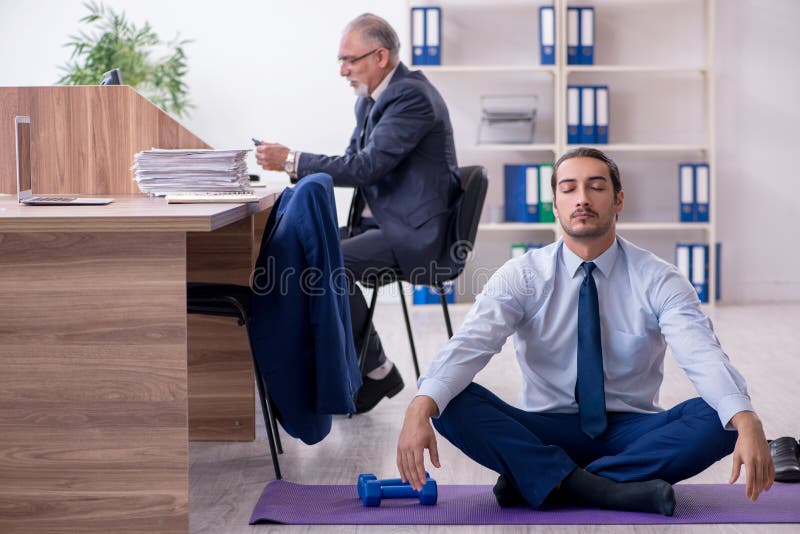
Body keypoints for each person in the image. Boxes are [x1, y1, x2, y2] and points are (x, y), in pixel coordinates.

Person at [396, 148, 774, 515]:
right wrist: (419, 406)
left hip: (631, 433)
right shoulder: (522, 274)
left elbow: (702, 354)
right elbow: (471, 343)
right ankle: (606, 488)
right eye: (569, 188)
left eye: (596, 186)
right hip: (544, 427)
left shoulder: (660, 278)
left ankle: (544, 479)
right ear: (556, 204)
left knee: (721, 417)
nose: (582, 199)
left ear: (618, 200)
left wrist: (747, 419)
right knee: (448, 400)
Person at [255, 13, 462, 414]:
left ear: (380, 56)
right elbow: (354, 161)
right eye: (340, 61)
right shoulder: (372, 101)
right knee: (294, 250)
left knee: (329, 262)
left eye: (349, 60)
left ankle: (367, 372)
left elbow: (366, 167)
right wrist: (296, 161)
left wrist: (293, 159)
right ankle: (365, 370)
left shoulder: (411, 97)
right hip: (381, 224)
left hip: (412, 234)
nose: (343, 71)